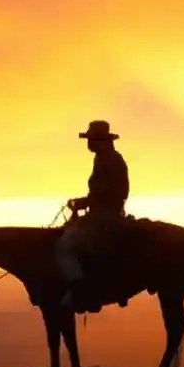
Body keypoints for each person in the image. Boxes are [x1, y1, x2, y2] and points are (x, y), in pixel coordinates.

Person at [57, 120, 129, 308]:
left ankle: (81, 292)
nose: (88, 143)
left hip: (105, 216)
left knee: (67, 244)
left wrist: (87, 202)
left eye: (91, 139)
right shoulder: (105, 159)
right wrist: (85, 201)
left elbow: (112, 192)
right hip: (105, 212)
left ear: (100, 141)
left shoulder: (110, 161)